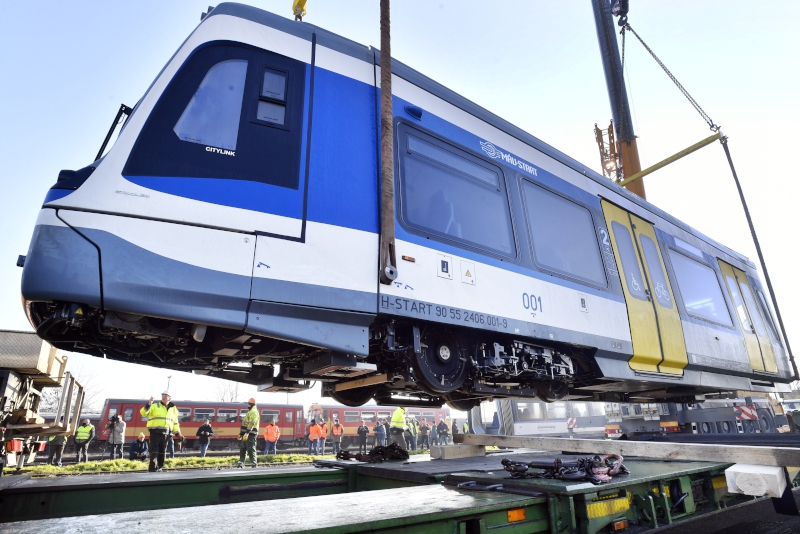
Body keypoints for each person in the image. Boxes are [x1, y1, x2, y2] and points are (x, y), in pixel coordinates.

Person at [140, 390, 181, 472]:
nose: (164, 397)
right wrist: (149, 404)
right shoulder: (155, 406)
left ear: (170, 398)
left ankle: (159, 468)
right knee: (154, 451)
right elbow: (143, 413)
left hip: (166, 433)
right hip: (155, 432)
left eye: (166, 395)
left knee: (162, 452)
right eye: (163, 395)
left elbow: (175, 423)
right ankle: (152, 469)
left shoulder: (174, 410)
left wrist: (178, 434)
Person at [238, 397, 260, 468]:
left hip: (250, 434)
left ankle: (254, 463)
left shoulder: (254, 412)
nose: (248, 405)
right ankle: (241, 462)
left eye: (249, 404)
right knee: (243, 447)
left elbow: (252, 423)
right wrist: (241, 433)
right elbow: (245, 423)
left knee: (251, 448)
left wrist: (247, 432)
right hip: (245, 434)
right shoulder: (250, 412)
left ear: (252, 405)